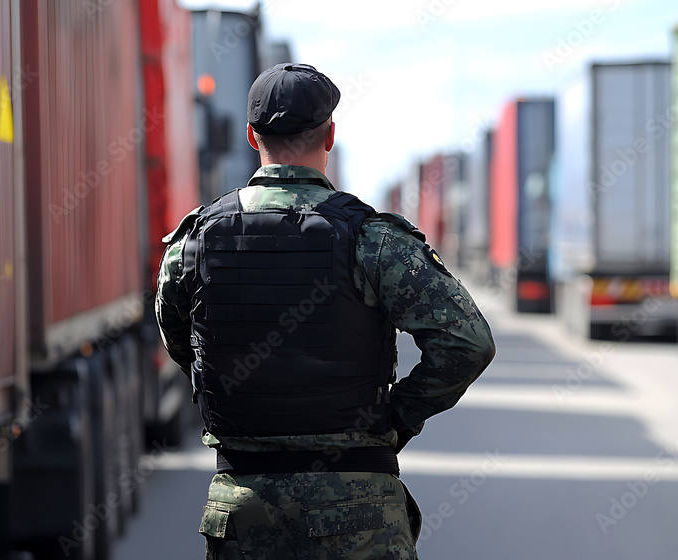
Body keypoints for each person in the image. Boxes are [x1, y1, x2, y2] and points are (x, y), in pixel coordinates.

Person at [155, 62, 495, 559]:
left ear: (252, 136)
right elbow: (468, 344)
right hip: (358, 510)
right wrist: (396, 417)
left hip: (243, 511)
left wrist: (238, 399)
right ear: (330, 135)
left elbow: (181, 341)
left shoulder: (196, 242)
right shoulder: (372, 239)